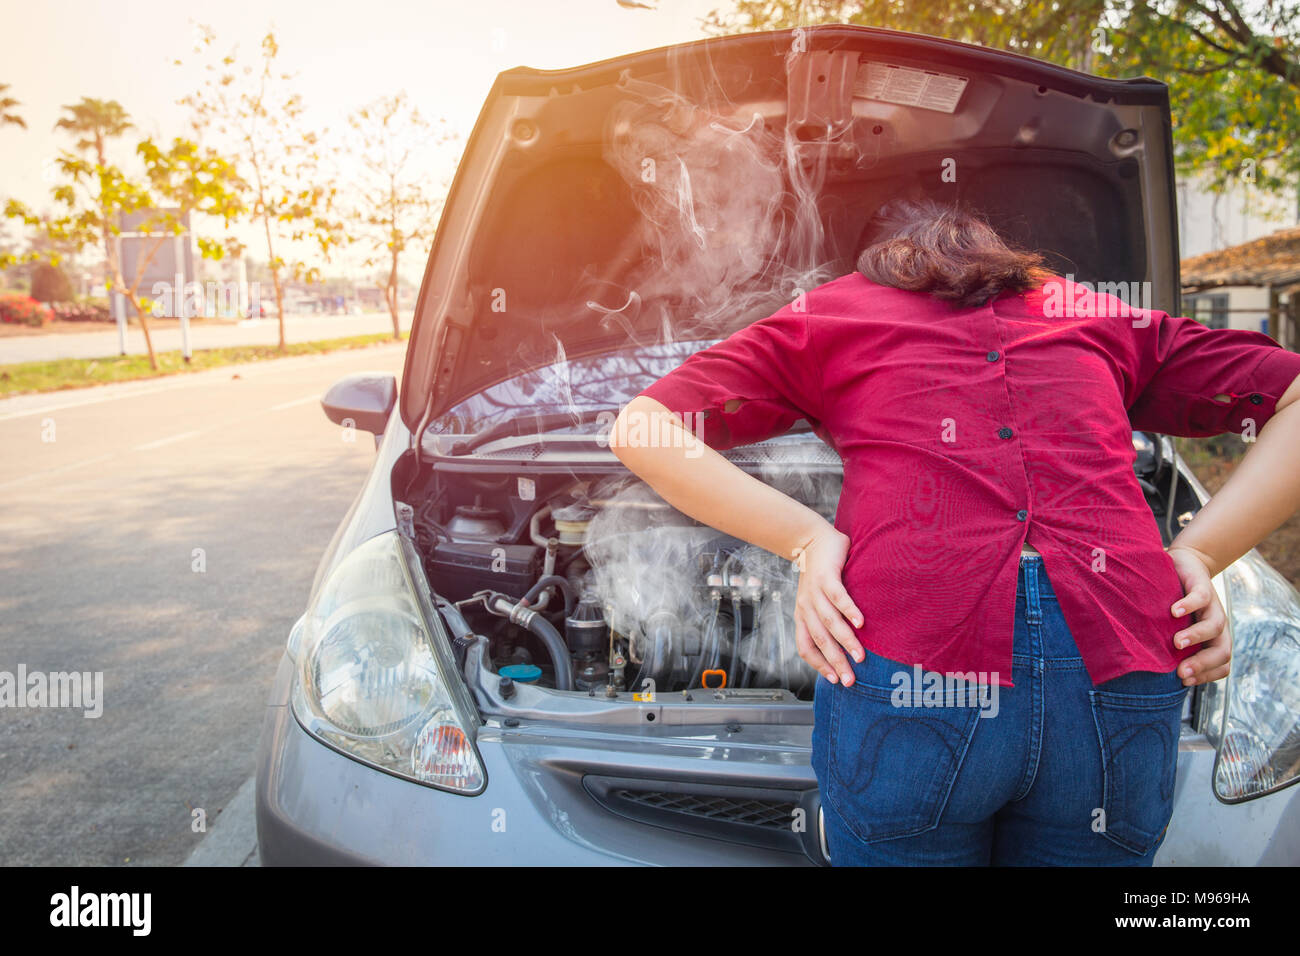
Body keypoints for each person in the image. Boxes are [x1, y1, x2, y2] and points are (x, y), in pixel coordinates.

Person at [610, 198, 1300, 866]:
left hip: (916, 664)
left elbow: (640, 428)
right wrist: (1200, 552)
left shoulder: (833, 310)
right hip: (1123, 664)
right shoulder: (1083, 308)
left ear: (880, 265)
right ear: (1002, 259)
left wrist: (807, 540)